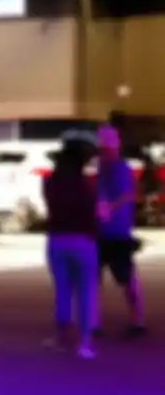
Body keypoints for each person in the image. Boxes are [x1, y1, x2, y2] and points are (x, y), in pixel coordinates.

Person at [43, 135, 100, 359]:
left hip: (57, 239)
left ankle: (62, 338)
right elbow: (93, 214)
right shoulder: (86, 186)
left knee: (63, 291)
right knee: (86, 293)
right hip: (83, 240)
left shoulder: (50, 182)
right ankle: (85, 343)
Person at [96, 125, 146, 339]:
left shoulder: (118, 168)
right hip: (101, 230)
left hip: (116, 231)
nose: (105, 151)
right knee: (94, 277)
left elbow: (128, 195)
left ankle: (137, 319)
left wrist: (109, 208)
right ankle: (94, 320)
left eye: (106, 147)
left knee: (126, 277)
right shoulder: (102, 167)